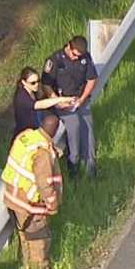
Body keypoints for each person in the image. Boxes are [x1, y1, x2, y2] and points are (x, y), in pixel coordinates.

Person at [2, 113, 64, 269]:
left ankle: (27, 267)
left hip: (13, 196)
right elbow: (45, 184)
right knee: (38, 238)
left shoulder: (27, 136)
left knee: (25, 236)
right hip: (29, 203)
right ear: (56, 131)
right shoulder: (42, 153)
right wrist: (52, 204)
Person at [42, 35, 98, 178]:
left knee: (88, 129)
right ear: (68, 46)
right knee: (74, 126)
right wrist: (56, 101)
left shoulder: (85, 58)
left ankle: (90, 168)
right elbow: (46, 84)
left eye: (78, 56)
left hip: (79, 100)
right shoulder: (55, 60)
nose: (75, 58)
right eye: (74, 55)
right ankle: (73, 164)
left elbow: (92, 79)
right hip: (62, 103)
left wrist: (82, 99)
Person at [12, 66, 76, 144]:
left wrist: (63, 104)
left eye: (38, 81)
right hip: (27, 131)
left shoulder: (33, 90)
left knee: (56, 119)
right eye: (33, 83)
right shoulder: (22, 97)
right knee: (52, 122)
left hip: (35, 121)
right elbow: (40, 104)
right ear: (24, 82)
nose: (36, 85)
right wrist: (62, 99)